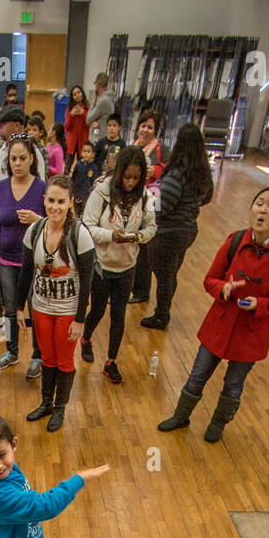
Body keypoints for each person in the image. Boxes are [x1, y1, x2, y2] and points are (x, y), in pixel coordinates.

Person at [159, 185, 269, 442]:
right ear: (251, 209)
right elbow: (209, 279)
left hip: (252, 332)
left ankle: (218, 423)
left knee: (234, 385)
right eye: (259, 203)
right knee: (197, 376)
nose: (263, 210)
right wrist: (223, 288)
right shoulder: (235, 241)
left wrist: (262, 305)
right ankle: (181, 416)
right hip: (220, 324)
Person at [15, 175, 96, 432]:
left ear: (71, 202)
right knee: (46, 358)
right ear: (44, 200)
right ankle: (46, 403)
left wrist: (81, 320)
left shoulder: (80, 235)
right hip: (40, 307)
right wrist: (18, 307)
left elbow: (87, 280)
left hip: (68, 311)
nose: (55, 207)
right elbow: (26, 272)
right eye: (51, 200)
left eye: (62, 201)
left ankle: (60, 408)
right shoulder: (35, 231)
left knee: (64, 361)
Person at [80, 146, 157, 385]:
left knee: (118, 315)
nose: (131, 182)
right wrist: (111, 235)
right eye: (127, 176)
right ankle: (86, 338)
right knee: (98, 309)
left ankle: (111, 362)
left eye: (136, 177)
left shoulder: (145, 197)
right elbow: (87, 226)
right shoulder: (101, 193)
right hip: (102, 264)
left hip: (127, 265)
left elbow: (151, 228)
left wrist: (138, 237)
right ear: (119, 172)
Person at [139, 122, 213, 331]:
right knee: (171, 273)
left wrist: (152, 202)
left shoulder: (177, 173)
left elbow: (163, 207)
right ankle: (163, 311)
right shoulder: (202, 172)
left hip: (168, 232)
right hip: (189, 229)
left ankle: (162, 315)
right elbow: (207, 198)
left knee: (164, 276)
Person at [0, 135, 46, 376]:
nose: (18, 163)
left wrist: (37, 220)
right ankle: (11, 351)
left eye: (22, 158)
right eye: (13, 159)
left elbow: (54, 224)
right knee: (9, 309)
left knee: (36, 308)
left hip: (35, 262)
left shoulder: (42, 188)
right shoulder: (0, 188)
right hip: (6, 261)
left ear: (32, 159)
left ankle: (38, 356)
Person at [0, 106, 47, 226]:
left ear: (17, 125)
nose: (0, 126)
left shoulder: (33, 153)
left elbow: (40, 188)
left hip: (23, 220)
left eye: (3, 123)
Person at [129, 109, 171, 304]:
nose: (145, 130)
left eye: (149, 127)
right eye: (143, 125)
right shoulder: (133, 147)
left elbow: (168, 171)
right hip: (131, 199)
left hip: (151, 202)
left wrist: (154, 170)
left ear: (155, 130)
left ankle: (141, 291)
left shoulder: (161, 149)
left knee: (144, 248)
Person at [64, 86, 90, 171]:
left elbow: (88, 125)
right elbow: (66, 128)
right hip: (71, 142)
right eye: (74, 94)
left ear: (82, 93)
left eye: (79, 92)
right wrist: (71, 115)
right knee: (67, 165)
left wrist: (83, 113)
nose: (77, 95)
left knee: (82, 165)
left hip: (83, 141)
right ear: (72, 97)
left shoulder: (88, 108)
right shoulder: (69, 110)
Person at [85, 71, 116, 141]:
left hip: (99, 139)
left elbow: (88, 120)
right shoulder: (107, 98)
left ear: (97, 84)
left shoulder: (104, 100)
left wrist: (94, 100)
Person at [71, 141, 98, 217]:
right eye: (84, 151)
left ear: (93, 154)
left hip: (87, 195)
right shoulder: (78, 164)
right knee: (76, 213)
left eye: (88, 151)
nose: (86, 153)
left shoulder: (93, 167)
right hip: (77, 193)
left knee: (85, 213)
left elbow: (94, 182)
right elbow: (73, 177)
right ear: (81, 153)